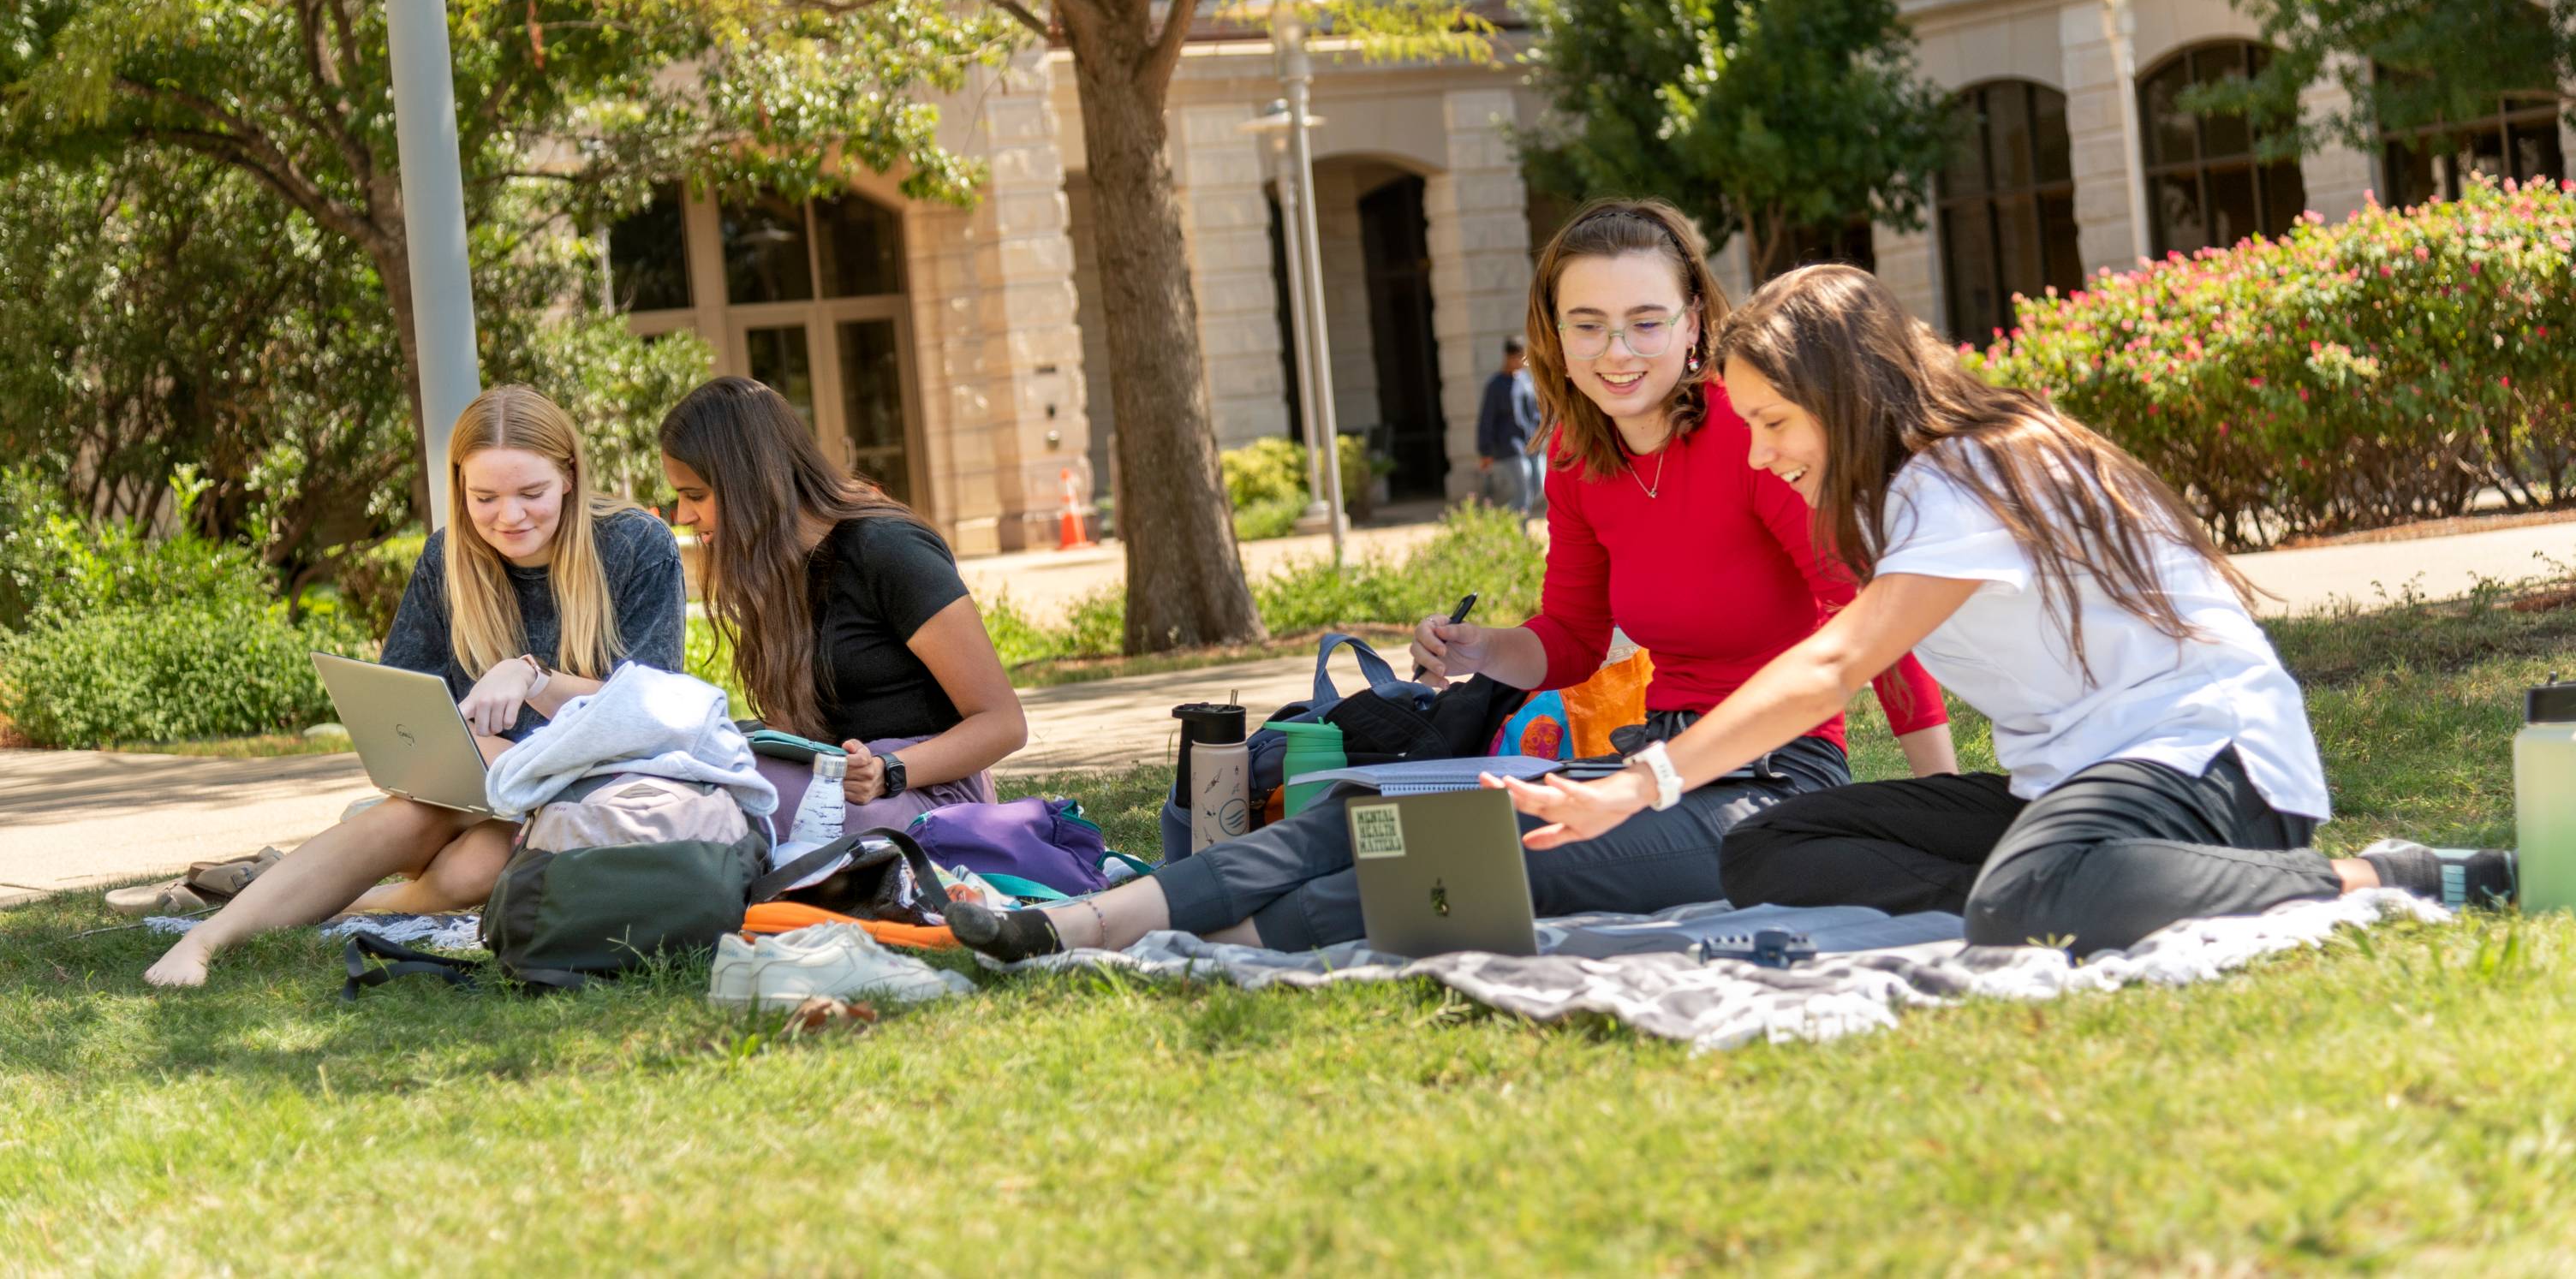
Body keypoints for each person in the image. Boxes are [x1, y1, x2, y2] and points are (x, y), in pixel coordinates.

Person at [945, 199, 1956, 961]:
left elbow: (1865, 626)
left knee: (1478, 867)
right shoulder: (1574, 455)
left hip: (1768, 788)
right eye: (1588, 322)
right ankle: (1069, 925)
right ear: (1551, 333)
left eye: (1646, 320)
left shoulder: (1752, 435)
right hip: (1641, 764)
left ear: (1695, 319)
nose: (1618, 350)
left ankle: (1202, 949)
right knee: (1364, 818)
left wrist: (1938, 806)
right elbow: (1565, 635)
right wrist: (1479, 651)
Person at [1496, 264, 2515, 959]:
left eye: (1770, 421)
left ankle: (2377, 876)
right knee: (1767, 847)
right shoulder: (1887, 496)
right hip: (2067, 790)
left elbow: (1833, 662)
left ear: (1843, 396)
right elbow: (1878, 647)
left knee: (2017, 897)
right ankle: (2069, 889)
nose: (1758, 452)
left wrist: (1642, 782)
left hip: (2209, 765)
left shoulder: (1964, 475)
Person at [145, 386, 686, 986]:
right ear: (459, 488)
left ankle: (291, 891)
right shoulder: (447, 559)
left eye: (531, 493)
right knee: (451, 833)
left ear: (569, 476)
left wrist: (533, 676)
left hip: (597, 786)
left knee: (472, 873)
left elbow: (652, 708)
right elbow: (405, 695)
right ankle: (206, 941)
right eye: (485, 497)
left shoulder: (637, 545)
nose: (509, 516)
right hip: (476, 799)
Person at [658, 377, 1027, 830]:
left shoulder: (888, 549)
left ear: (750, 482)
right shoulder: (770, 572)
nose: (684, 516)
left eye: (696, 495)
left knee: (726, 807)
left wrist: (889, 769)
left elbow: (1004, 723)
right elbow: (794, 735)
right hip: (830, 784)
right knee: (684, 785)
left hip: (925, 791)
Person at [1476, 336, 1544, 521]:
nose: (1522, 363)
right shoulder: (1495, 385)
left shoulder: (1525, 379)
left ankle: (1502, 521)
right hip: (1510, 445)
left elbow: (1535, 412)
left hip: (1531, 442)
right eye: (1518, 358)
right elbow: (1486, 419)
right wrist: (1485, 451)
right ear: (1508, 357)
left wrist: (1540, 434)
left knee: (1538, 487)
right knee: (1524, 489)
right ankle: (1520, 535)